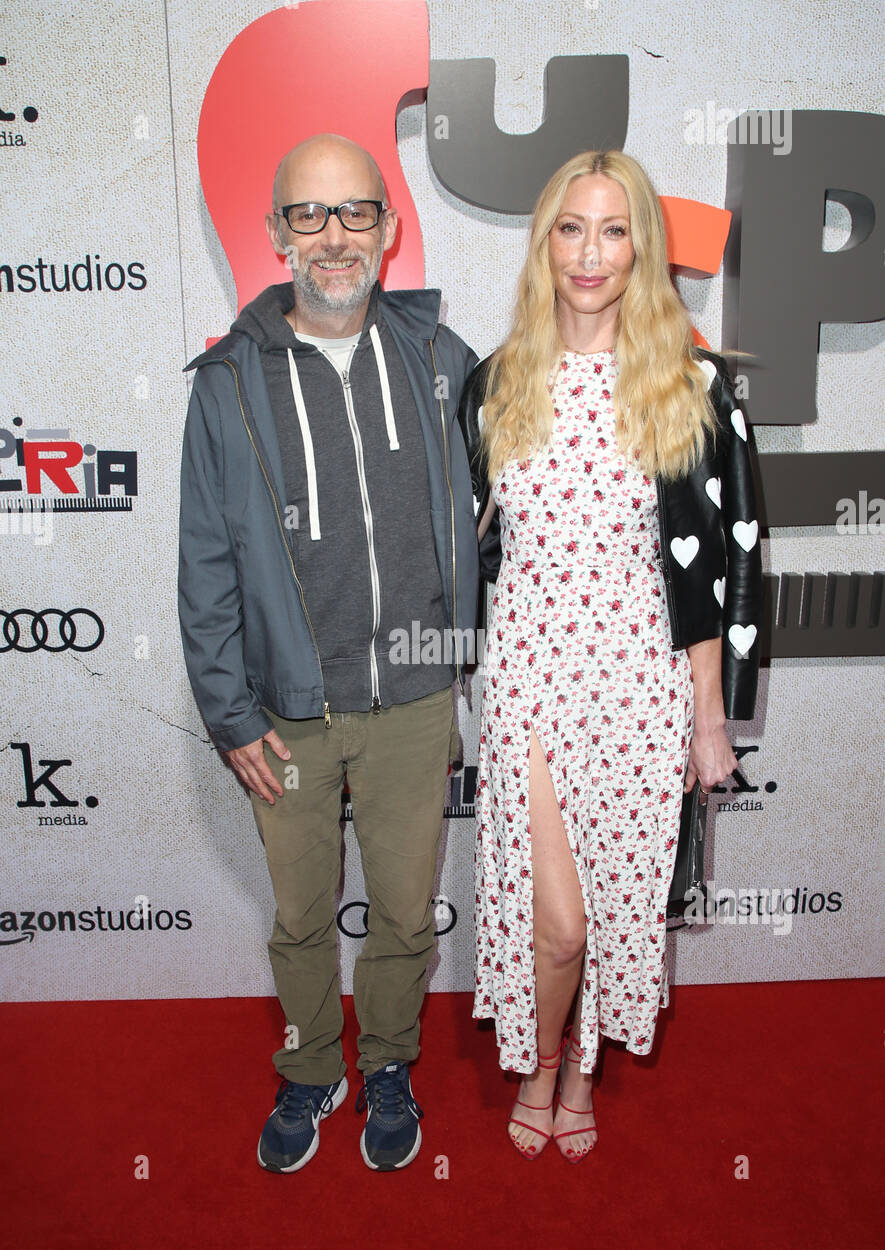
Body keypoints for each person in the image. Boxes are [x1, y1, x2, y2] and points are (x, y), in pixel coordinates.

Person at [178, 134, 479, 1173]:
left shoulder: (445, 364)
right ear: (274, 237)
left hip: (412, 703)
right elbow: (205, 560)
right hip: (286, 711)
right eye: (308, 215)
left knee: (403, 912)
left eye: (355, 212)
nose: (334, 237)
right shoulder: (227, 385)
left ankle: (388, 1061)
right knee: (302, 918)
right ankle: (312, 1070)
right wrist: (229, 713)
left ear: (390, 231)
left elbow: (508, 522)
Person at [459, 150, 763, 1163]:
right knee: (561, 923)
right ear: (546, 243)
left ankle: (581, 1067)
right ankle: (544, 1063)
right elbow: (471, 546)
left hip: (642, 683)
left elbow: (711, 569)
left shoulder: (692, 387)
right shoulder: (497, 383)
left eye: (614, 229)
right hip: (532, 677)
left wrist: (709, 719)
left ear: (643, 247)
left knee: (622, 901)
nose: (590, 254)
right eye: (570, 229)